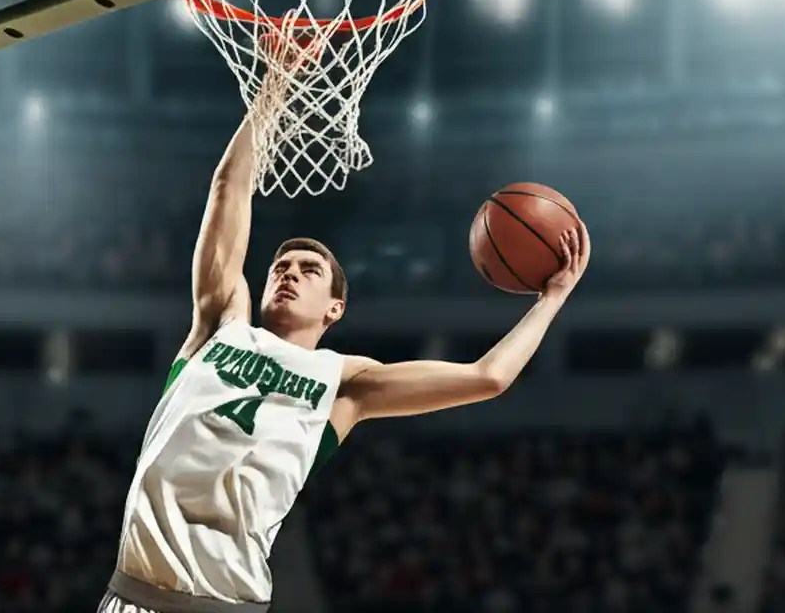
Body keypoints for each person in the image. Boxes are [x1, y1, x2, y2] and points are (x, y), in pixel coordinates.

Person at [99, 61, 590, 613]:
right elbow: (227, 190)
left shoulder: (345, 381)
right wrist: (270, 93)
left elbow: (488, 377)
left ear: (336, 308)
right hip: (133, 595)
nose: (288, 271)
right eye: (280, 266)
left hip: (225, 603)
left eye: (309, 269)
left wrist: (553, 299)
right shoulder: (221, 323)